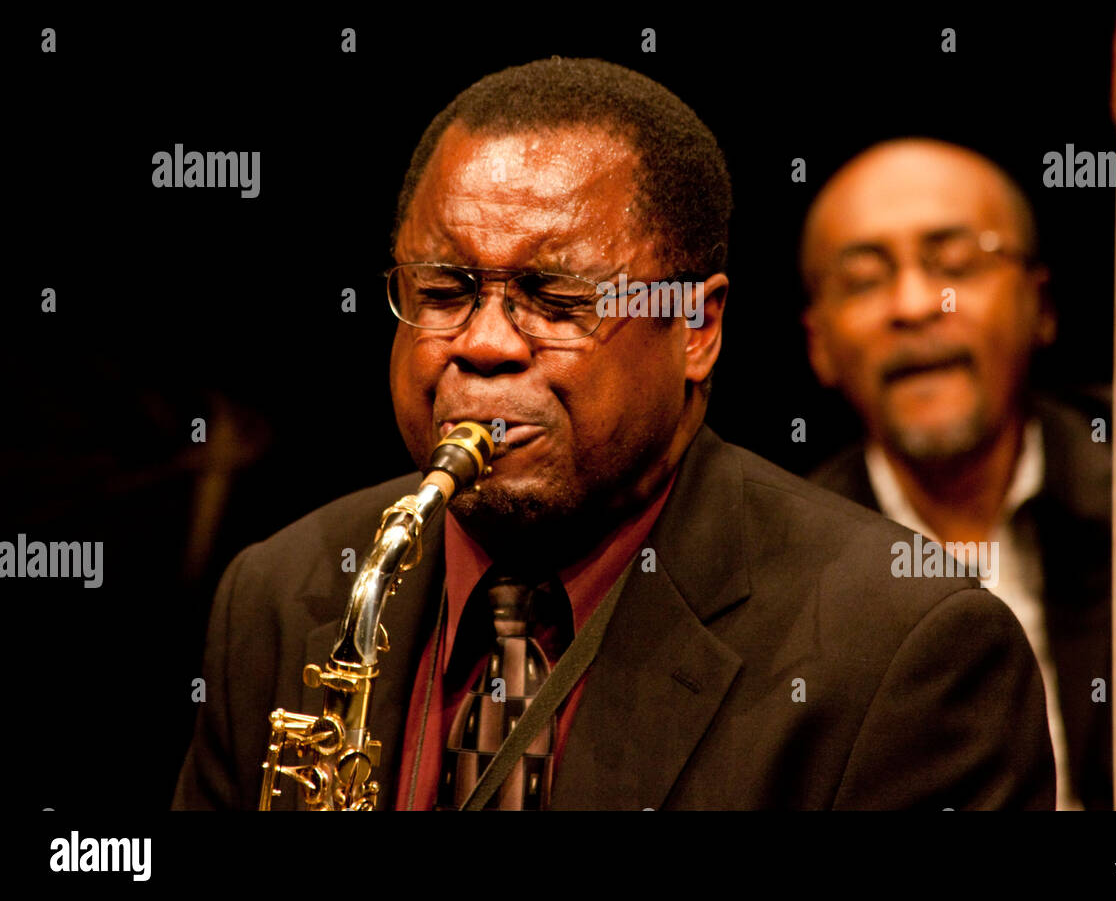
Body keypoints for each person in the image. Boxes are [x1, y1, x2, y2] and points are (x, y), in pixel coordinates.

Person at [173, 61, 1053, 811]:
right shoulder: (277, 594)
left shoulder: (909, 647)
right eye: (443, 291)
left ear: (696, 328)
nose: (482, 343)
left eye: (557, 299)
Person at [800, 138, 1116, 810]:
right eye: (862, 279)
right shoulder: (782, 570)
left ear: (1043, 307)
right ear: (819, 344)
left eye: (955, 263)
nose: (914, 303)